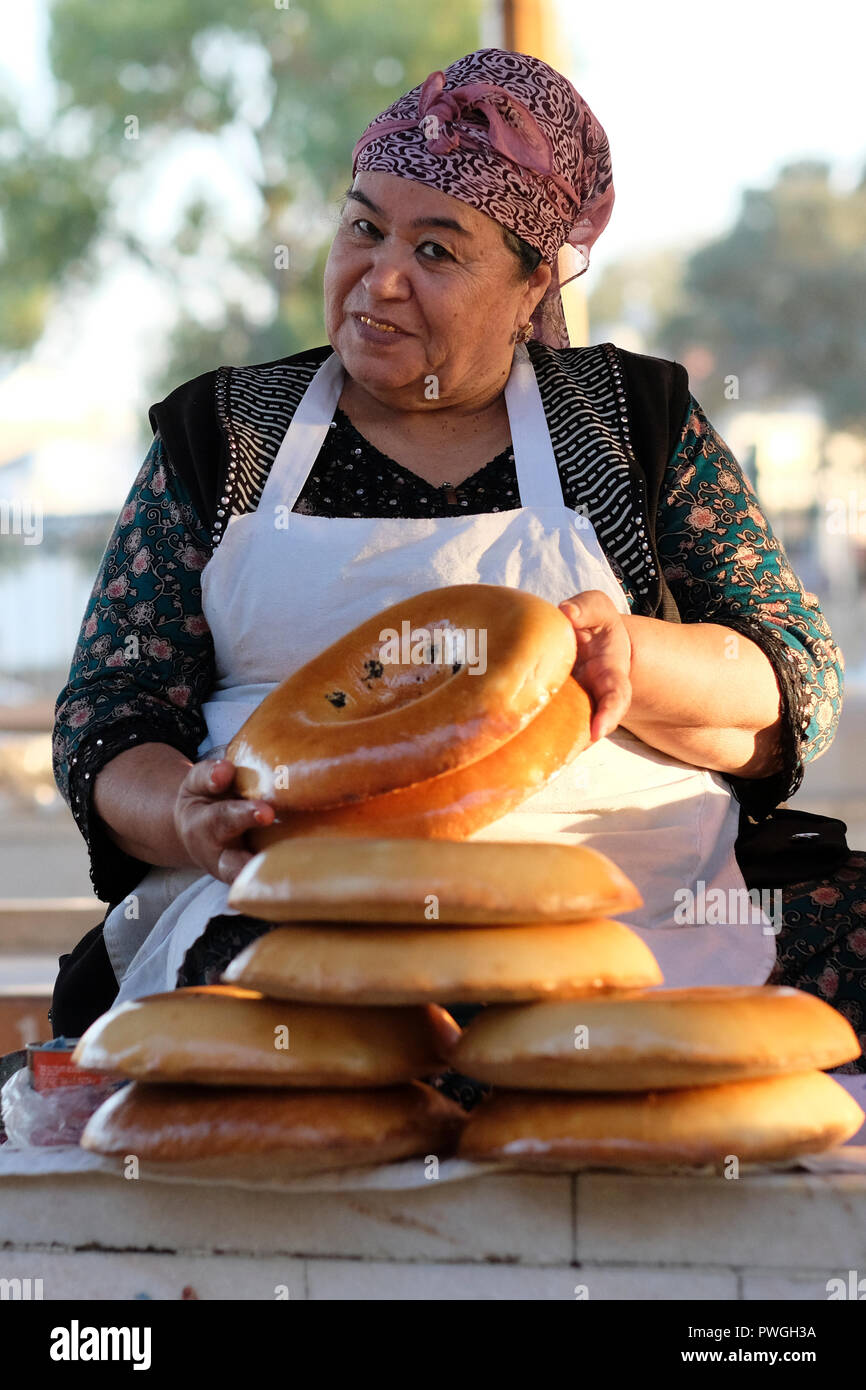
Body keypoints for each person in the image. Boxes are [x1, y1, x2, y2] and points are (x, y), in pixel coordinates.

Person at [50, 48, 865, 1079]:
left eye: (435, 250)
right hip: (300, 894)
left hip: (623, 884)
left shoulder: (622, 422)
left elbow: (793, 674)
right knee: (342, 1022)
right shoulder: (229, 432)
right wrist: (178, 810)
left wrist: (631, 656)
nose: (378, 276)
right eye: (362, 227)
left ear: (531, 283)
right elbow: (108, 712)